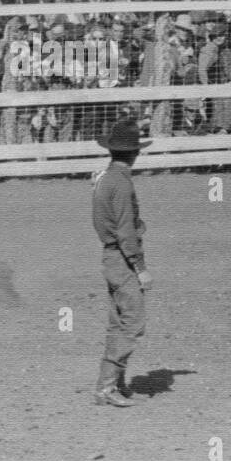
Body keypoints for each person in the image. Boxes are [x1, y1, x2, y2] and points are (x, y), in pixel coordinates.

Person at [91, 117, 154, 408]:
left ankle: (114, 383)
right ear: (135, 153)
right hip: (122, 258)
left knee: (117, 322)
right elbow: (127, 231)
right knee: (133, 322)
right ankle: (106, 387)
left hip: (110, 255)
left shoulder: (105, 179)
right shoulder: (122, 184)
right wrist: (140, 268)